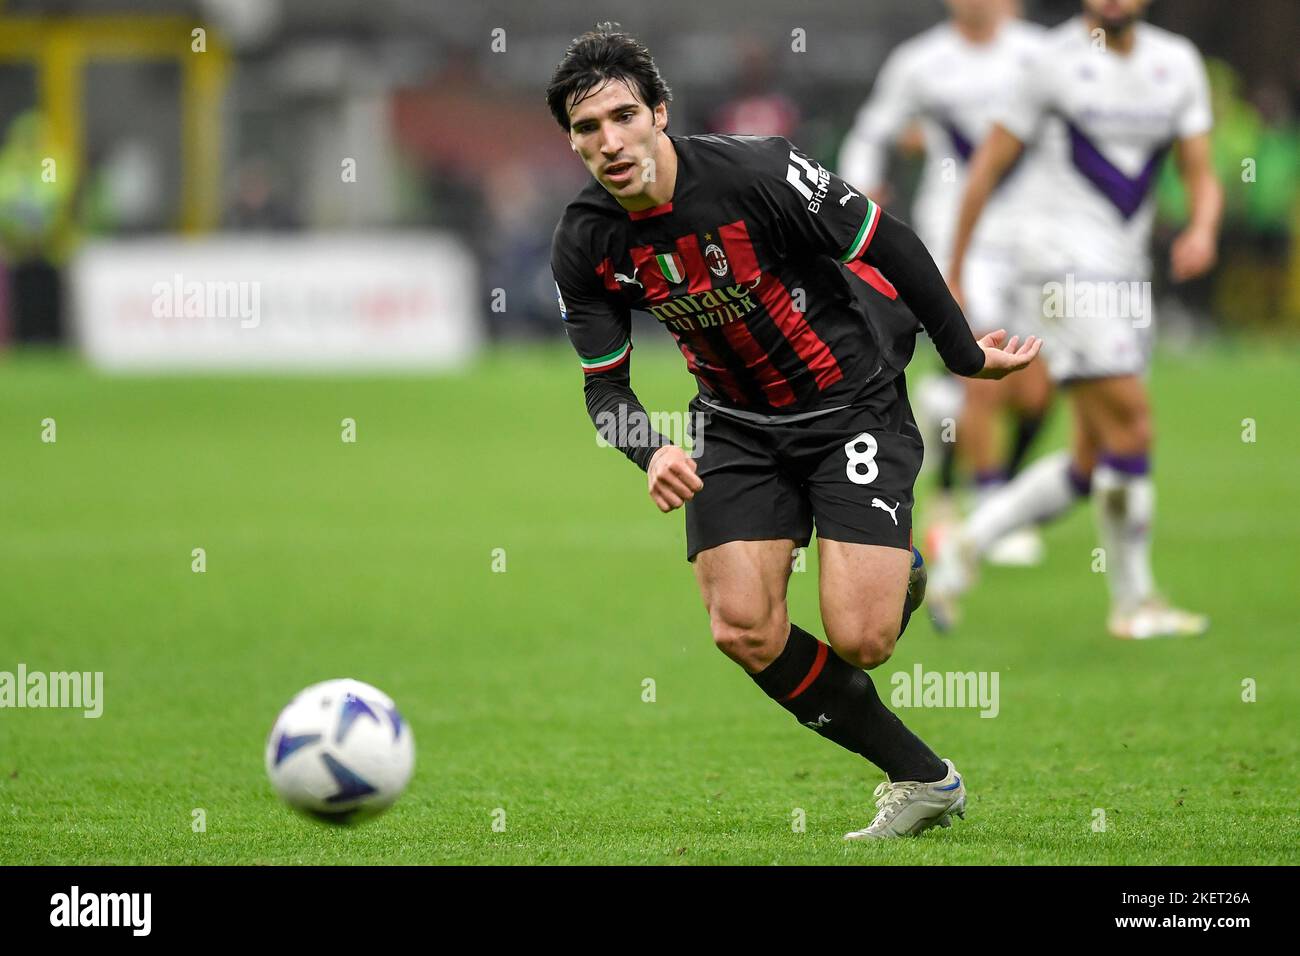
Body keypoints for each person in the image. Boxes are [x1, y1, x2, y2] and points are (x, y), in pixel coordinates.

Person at [546, 24, 1040, 837]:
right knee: (742, 626)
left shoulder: (759, 172)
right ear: (573, 143)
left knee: (864, 638)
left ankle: (899, 569)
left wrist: (961, 355)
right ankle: (922, 777)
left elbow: (892, 241)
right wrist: (651, 447)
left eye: (624, 116)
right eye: (588, 129)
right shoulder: (586, 240)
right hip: (735, 426)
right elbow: (605, 390)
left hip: (852, 405)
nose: (610, 141)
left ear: (660, 113)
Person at [930, 0, 1222, 639]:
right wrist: (954, 268)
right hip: (1060, 271)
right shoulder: (1051, 63)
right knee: (1134, 424)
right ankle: (1135, 602)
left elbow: (1201, 171)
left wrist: (1201, 228)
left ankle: (962, 546)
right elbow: (986, 168)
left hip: (1124, 274)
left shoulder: (1177, 64)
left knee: (1091, 460)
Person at [839, 0, 1053, 568]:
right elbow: (871, 131)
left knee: (1036, 389)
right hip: (957, 237)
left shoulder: (1041, 54)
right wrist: (858, 192)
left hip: (1037, 235)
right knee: (986, 359)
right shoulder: (921, 62)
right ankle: (989, 510)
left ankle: (956, 438)